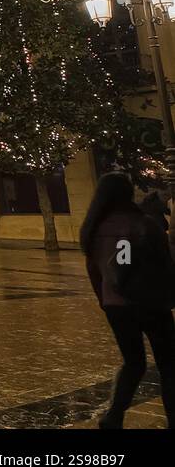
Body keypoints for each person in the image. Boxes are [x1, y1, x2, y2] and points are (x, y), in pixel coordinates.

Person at [81, 172, 175, 428]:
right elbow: (165, 265)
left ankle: (114, 415)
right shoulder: (143, 224)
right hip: (151, 303)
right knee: (168, 363)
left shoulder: (94, 229)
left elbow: (94, 270)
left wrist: (104, 299)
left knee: (133, 362)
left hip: (115, 306)